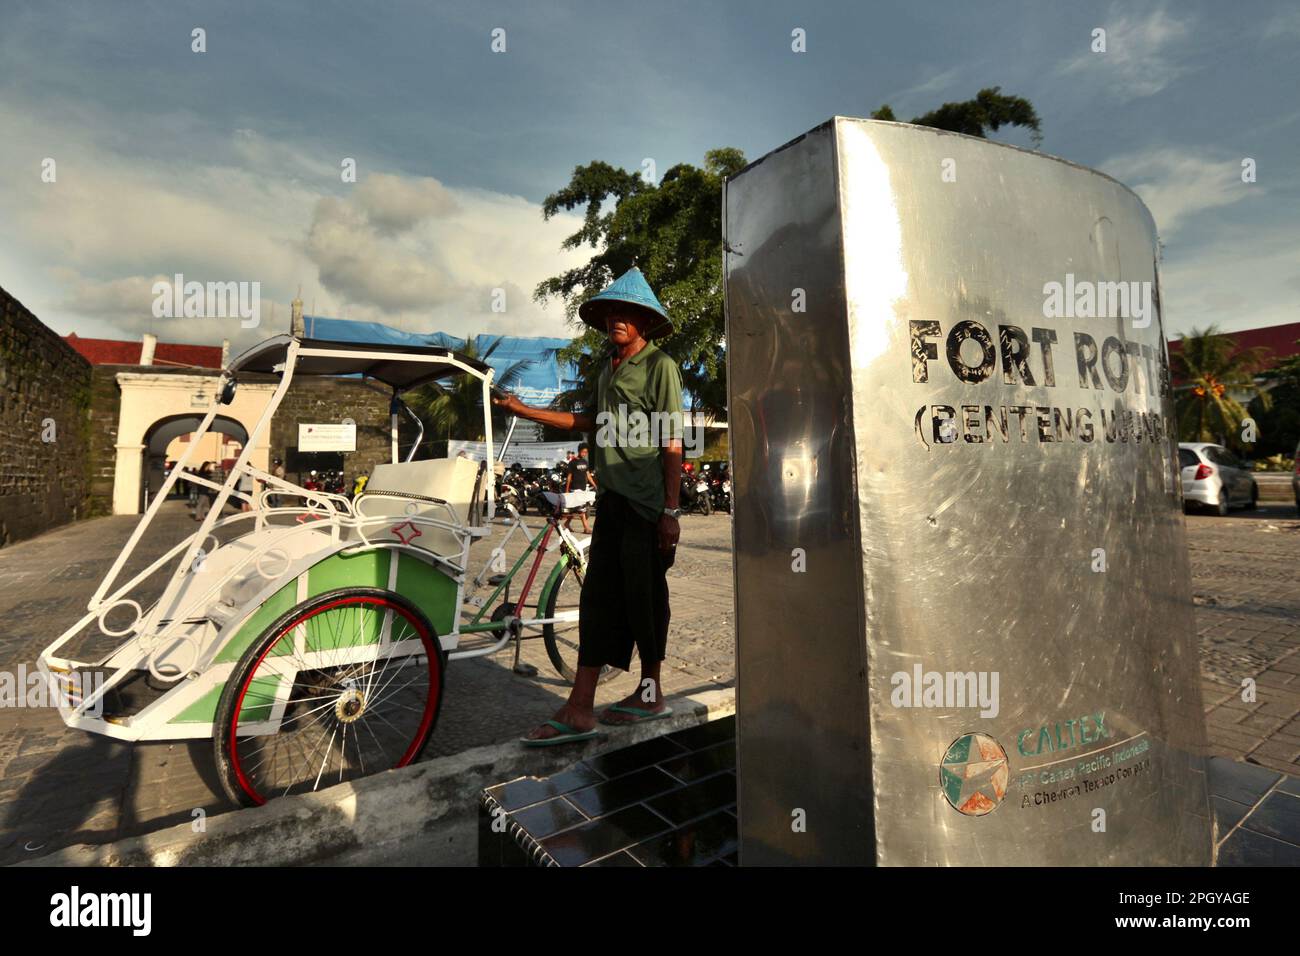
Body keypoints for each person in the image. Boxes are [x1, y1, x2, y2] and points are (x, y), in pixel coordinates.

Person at [493, 267, 684, 745]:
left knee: (645, 598)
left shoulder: (660, 366)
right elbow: (586, 421)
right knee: (599, 598)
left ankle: (649, 692)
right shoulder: (607, 369)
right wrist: (524, 410)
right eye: (613, 312)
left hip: (647, 504)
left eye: (630, 313)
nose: (618, 319)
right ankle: (580, 706)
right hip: (614, 500)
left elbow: (673, 442)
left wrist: (671, 511)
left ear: (645, 321)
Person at [563, 442, 598, 533]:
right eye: (583, 452)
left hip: (583, 488)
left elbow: (588, 475)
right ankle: (586, 528)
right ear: (579, 451)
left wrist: (594, 485)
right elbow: (569, 476)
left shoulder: (585, 462)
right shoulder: (572, 462)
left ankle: (567, 523)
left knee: (577, 509)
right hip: (575, 488)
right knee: (581, 509)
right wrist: (567, 490)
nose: (584, 454)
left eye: (586, 452)